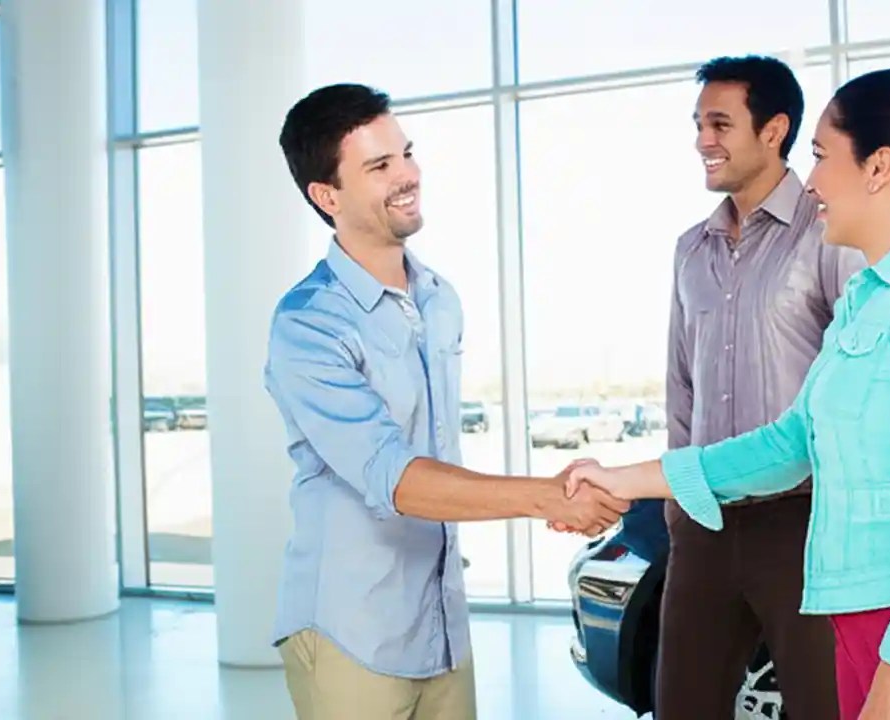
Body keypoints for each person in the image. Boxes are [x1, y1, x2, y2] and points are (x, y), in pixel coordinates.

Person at [567, 67, 890, 720]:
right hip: (858, 626)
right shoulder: (869, 302)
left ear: (879, 168)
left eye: (820, 156)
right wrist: (622, 478)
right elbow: (786, 444)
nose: (809, 180)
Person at [265, 83, 629, 720]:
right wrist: (546, 496)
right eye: (379, 167)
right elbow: (394, 476)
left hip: (441, 629)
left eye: (405, 153)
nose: (408, 175)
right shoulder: (308, 324)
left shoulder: (439, 299)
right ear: (327, 196)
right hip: (350, 632)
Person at [642, 55, 864, 719]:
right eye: (698, 124)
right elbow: (682, 383)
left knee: (825, 707)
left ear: (774, 131)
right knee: (682, 706)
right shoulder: (690, 249)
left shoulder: (828, 233)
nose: (703, 140)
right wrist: (679, 510)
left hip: (802, 520)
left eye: (719, 123)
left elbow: (858, 382)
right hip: (705, 520)